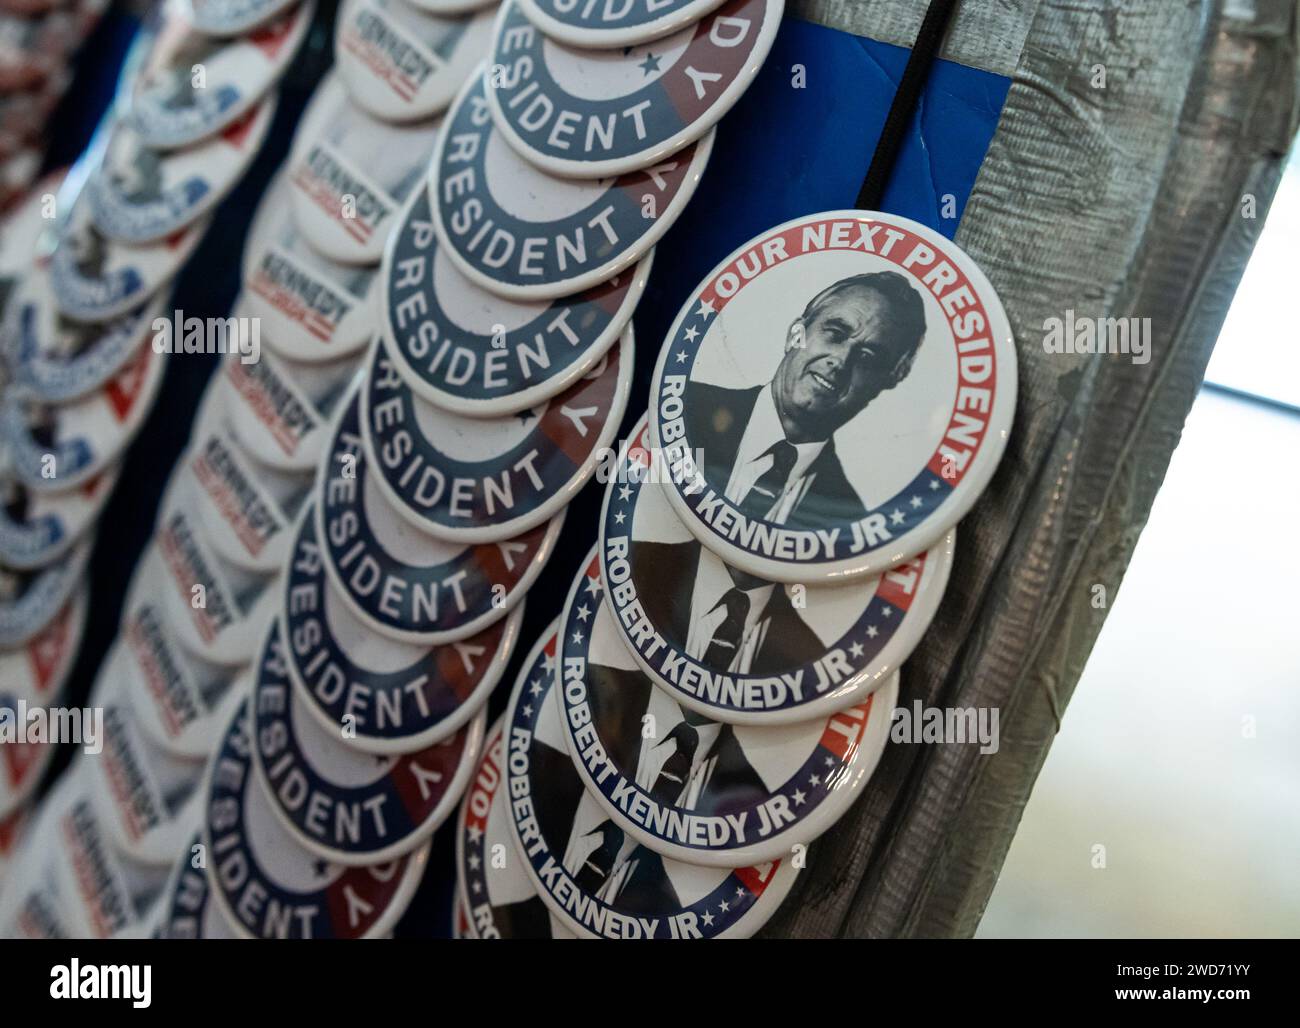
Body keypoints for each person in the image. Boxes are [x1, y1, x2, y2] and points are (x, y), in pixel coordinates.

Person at [684, 270, 927, 529]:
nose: (841, 362)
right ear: (795, 335)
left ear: (888, 380)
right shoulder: (685, 408)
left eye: (867, 358)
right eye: (835, 334)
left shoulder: (847, 522)